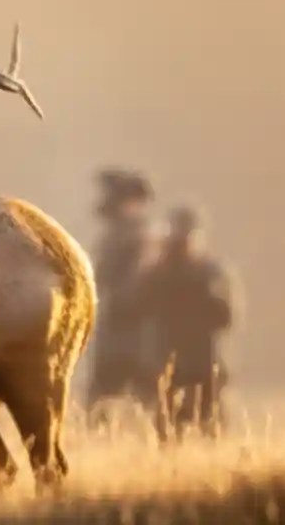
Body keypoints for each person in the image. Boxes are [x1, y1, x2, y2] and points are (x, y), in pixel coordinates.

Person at [136, 205, 239, 442]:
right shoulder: (160, 272)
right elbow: (136, 305)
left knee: (210, 432)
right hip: (174, 367)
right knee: (170, 434)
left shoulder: (209, 272)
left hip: (201, 366)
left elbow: (226, 317)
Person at [85, 168, 162, 415]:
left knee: (141, 397)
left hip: (134, 333)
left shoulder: (140, 237)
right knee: (104, 399)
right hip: (119, 329)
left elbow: (136, 287)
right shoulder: (123, 236)